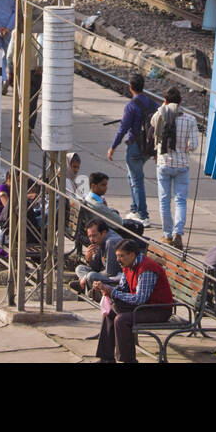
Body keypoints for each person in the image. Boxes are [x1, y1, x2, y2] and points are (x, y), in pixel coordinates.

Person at [92, 239, 174, 363]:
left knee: (121, 320)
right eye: (117, 256)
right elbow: (123, 288)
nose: (118, 260)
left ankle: (128, 360)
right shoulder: (128, 265)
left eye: (121, 256)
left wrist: (112, 292)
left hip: (158, 310)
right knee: (110, 312)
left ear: (132, 255)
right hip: (144, 306)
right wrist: (107, 290)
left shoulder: (146, 269)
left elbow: (140, 299)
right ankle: (106, 358)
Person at [107, 73, 160, 227]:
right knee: (132, 176)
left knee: (136, 180)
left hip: (135, 147)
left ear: (130, 87)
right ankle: (134, 209)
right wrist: (156, 150)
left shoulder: (131, 106)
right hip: (148, 147)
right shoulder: (153, 104)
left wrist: (113, 147)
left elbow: (122, 129)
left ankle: (143, 215)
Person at [153, 87, 199, 250]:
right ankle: (178, 233)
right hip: (182, 166)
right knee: (180, 201)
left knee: (164, 200)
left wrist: (162, 107)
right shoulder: (190, 120)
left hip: (164, 163)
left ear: (165, 102)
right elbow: (193, 146)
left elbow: (153, 124)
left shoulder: (160, 115)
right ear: (181, 101)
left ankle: (167, 234)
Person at [72, 219, 122, 295]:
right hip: (105, 273)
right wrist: (89, 260)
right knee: (80, 268)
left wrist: (86, 277)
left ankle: (87, 287)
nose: (91, 239)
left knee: (91, 276)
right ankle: (88, 287)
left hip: (117, 278)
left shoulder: (111, 242)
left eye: (94, 235)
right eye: (89, 236)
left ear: (104, 233)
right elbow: (97, 267)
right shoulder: (99, 241)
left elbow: (111, 273)